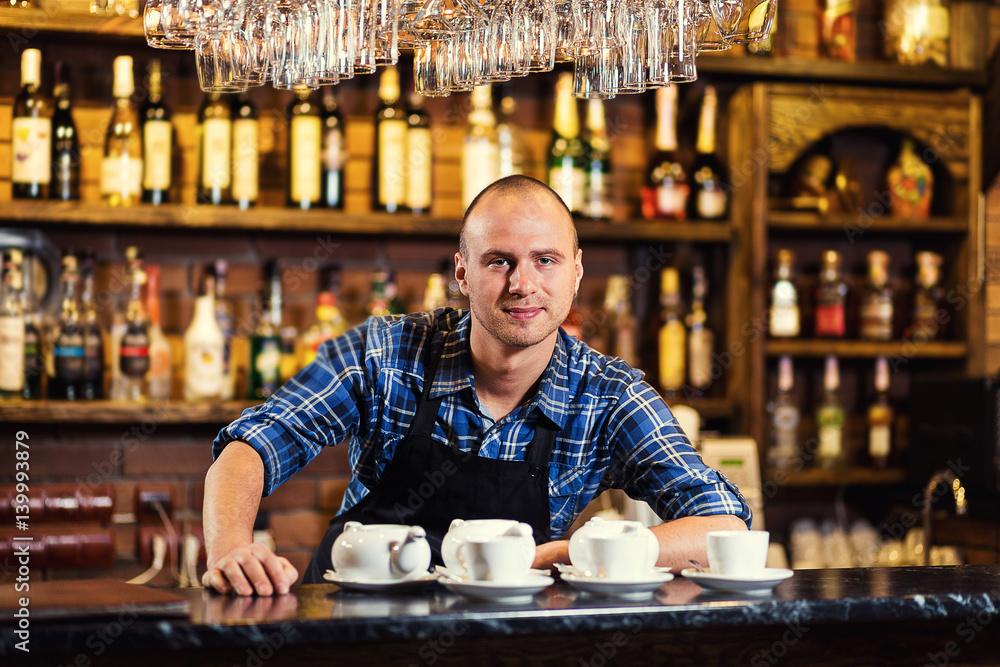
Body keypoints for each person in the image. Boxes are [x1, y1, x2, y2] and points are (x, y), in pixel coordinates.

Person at [202, 175, 751, 596]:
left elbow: (723, 523)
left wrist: (578, 550)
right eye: (499, 261)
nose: (523, 284)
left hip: (504, 638)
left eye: (546, 260)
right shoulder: (386, 352)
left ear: (576, 273)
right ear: (462, 272)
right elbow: (252, 445)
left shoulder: (609, 395)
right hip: (356, 628)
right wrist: (230, 550)